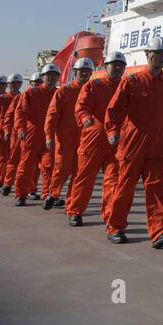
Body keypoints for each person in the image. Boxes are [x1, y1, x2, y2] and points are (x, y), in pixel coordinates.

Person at [104, 36, 163, 247]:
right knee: (124, 187)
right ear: (148, 55)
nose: (162, 58)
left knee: (156, 188)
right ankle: (115, 227)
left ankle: (159, 232)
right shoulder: (132, 81)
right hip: (132, 144)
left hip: (158, 147)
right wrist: (112, 131)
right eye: (158, 54)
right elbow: (114, 109)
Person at [65, 51, 126, 227]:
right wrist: (85, 118)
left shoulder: (126, 87)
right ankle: (75, 211)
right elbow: (81, 107)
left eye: (120, 65)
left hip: (116, 141)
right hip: (94, 139)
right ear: (105, 66)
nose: (117, 68)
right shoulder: (93, 86)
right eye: (113, 64)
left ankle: (110, 217)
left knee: (113, 181)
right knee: (85, 177)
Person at [43, 58, 94, 210]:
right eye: (81, 71)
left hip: (86, 140)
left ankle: (71, 205)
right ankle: (53, 194)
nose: (84, 73)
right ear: (75, 72)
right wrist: (49, 136)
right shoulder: (64, 91)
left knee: (79, 174)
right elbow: (52, 115)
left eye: (87, 71)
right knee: (61, 170)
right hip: (65, 140)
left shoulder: (93, 91)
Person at [12, 64, 60, 206]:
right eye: (48, 75)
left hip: (50, 136)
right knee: (26, 165)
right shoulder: (31, 93)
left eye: (54, 76)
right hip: (32, 134)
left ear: (58, 78)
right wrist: (20, 129)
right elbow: (20, 112)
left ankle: (47, 195)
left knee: (49, 166)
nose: (51, 78)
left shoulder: (59, 93)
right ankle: (21, 195)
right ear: (43, 77)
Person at [0, 73, 24, 191]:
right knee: (2, 158)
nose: (14, 86)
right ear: (8, 85)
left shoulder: (24, 97)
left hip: (17, 133)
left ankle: (9, 181)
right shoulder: (0, 99)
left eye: (17, 83)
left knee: (14, 159)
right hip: (1, 132)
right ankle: (1, 181)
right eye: (12, 84)